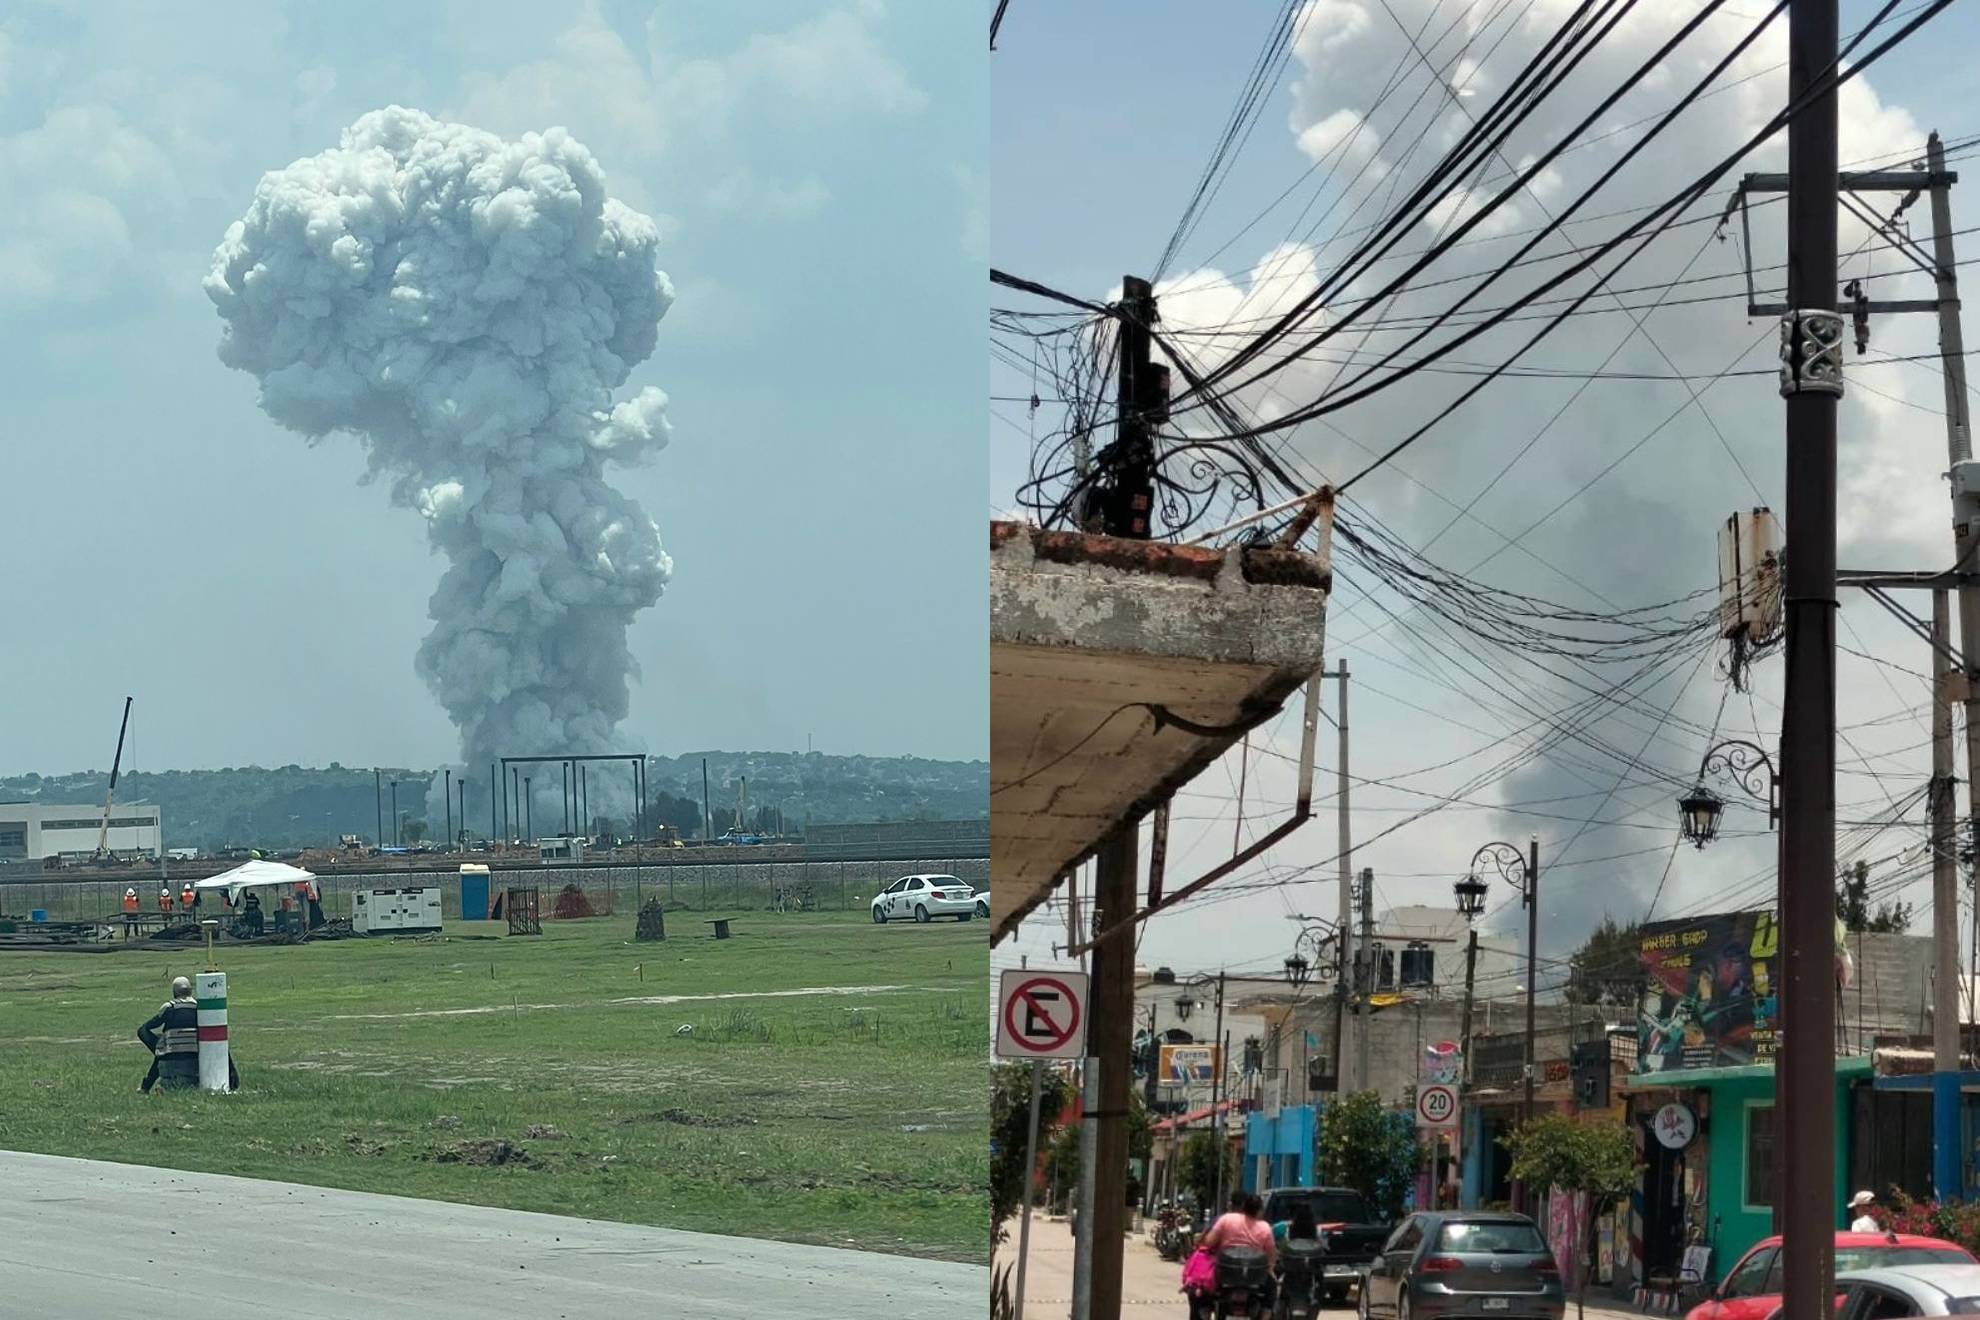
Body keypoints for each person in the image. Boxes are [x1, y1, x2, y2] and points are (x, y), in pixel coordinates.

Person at [1200, 1192, 1276, 1312]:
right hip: (1254, 1277)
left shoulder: (1227, 1219)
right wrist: (1270, 1269)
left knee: (1205, 1282)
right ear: (1260, 1210)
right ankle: (1265, 1314)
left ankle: (1205, 1310)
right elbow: (1271, 1254)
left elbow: (1209, 1242)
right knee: (1272, 1288)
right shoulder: (1265, 1227)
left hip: (1225, 1273)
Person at [138, 977, 199, 1093]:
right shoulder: (199, 1008)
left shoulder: (169, 1007)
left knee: (158, 1047)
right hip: (193, 1054)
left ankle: (145, 1086)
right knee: (162, 1049)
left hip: (170, 1054)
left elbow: (148, 1026)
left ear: (174, 992)